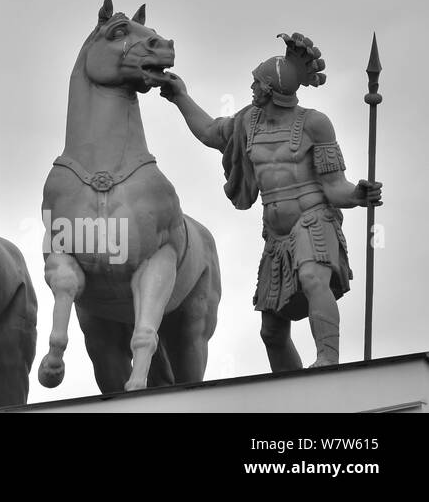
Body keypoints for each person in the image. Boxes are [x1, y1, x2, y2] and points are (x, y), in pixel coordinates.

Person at [160, 33, 382, 369]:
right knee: (272, 331)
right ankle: (293, 393)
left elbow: (335, 186)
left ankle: (327, 361)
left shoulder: (315, 124)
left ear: (271, 89)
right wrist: (181, 97)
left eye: (257, 83)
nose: (252, 87)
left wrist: (357, 195)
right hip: (275, 236)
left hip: (313, 220)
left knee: (312, 278)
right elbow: (209, 132)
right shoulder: (248, 122)